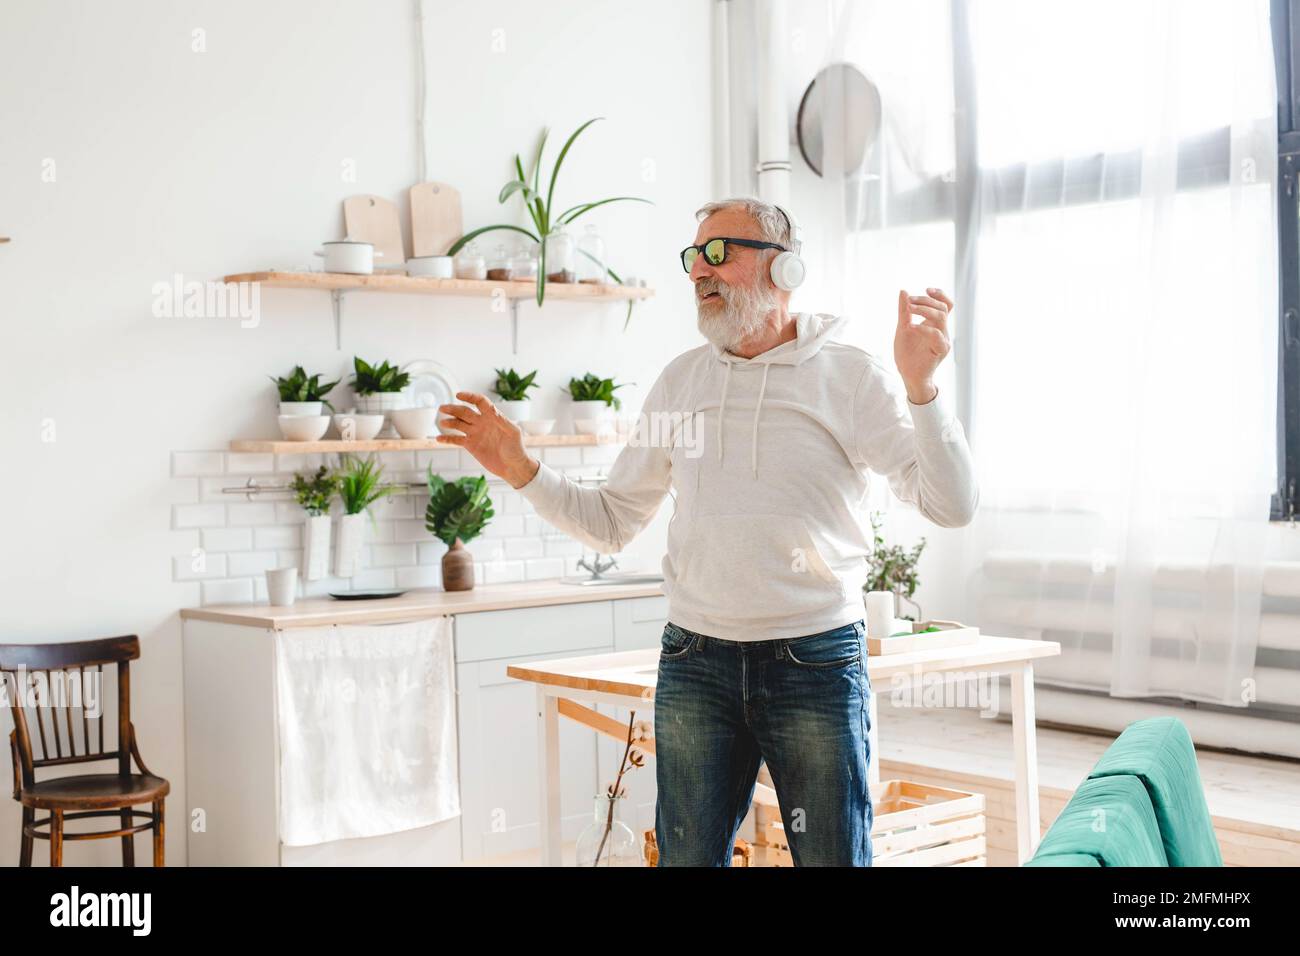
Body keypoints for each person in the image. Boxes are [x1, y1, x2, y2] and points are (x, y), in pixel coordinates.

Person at [436, 196, 979, 866]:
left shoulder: (849, 376)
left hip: (814, 663)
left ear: (785, 270)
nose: (700, 271)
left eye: (720, 253)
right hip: (697, 665)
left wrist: (921, 386)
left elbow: (950, 505)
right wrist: (518, 466)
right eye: (694, 257)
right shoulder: (681, 383)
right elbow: (611, 523)